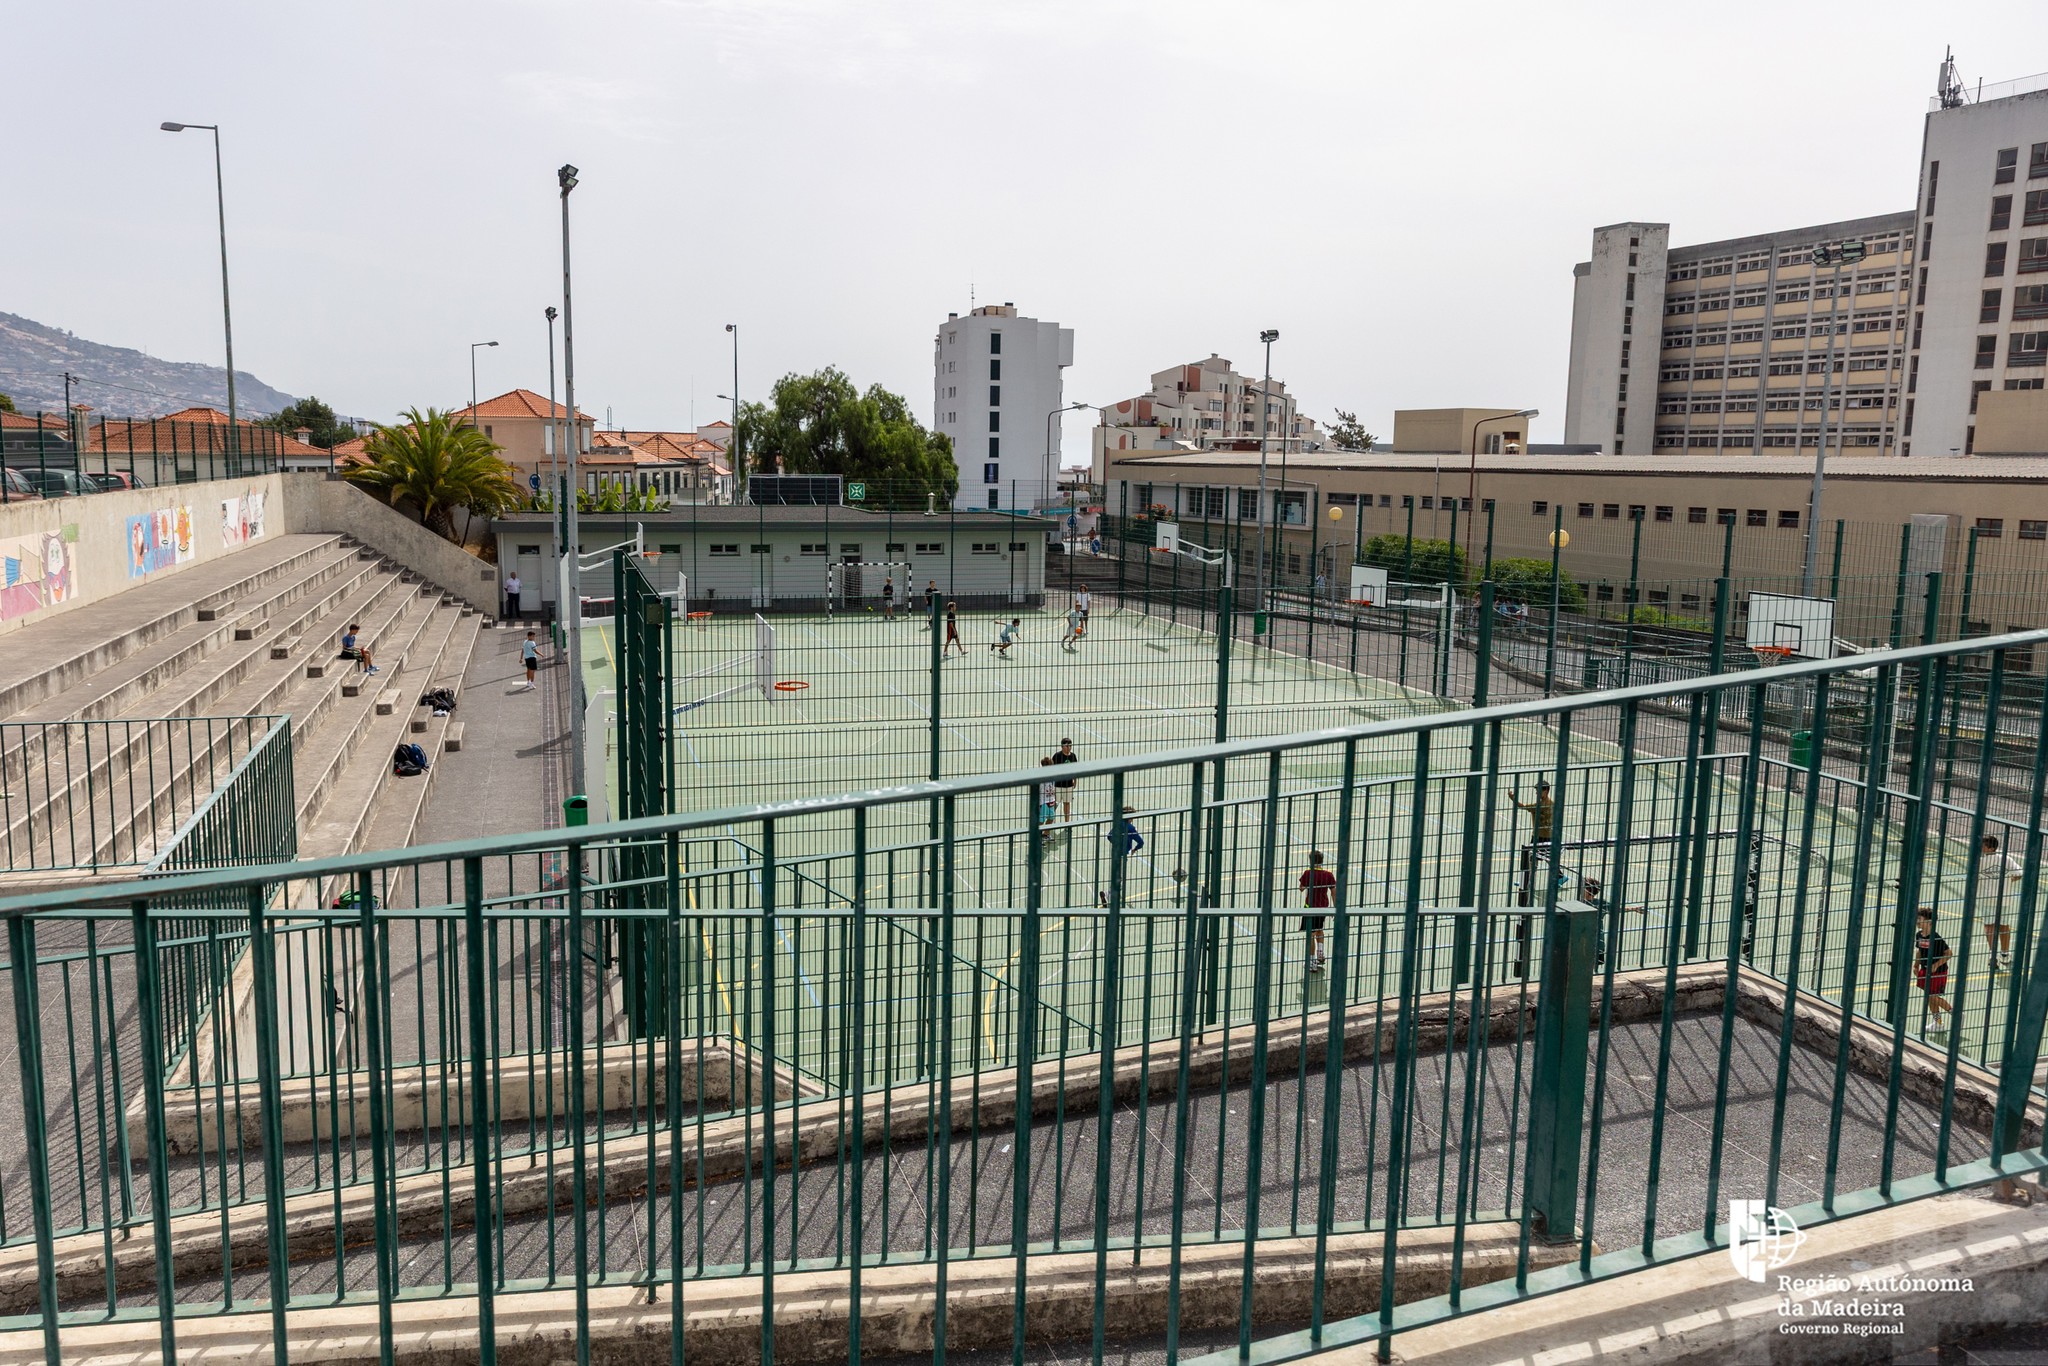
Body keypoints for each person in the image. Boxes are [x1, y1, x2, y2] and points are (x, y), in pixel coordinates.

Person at [1974, 832, 2020, 973]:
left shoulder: (1979, 861)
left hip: (1986, 899)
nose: (1980, 847)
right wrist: (2008, 881)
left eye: (1982, 845)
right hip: (2004, 898)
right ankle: (2005, 954)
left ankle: (1992, 954)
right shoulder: (2006, 859)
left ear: (1990, 848)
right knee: (2004, 925)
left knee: (1989, 926)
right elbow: (2019, 873)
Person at [1914, 907, 1953, 1039]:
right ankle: (1938, 1023)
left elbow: (1949, 954)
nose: (1917, 921)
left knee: (1932, 996)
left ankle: (1954, 1013)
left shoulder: (1936, 938)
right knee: (1929, 997)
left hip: (1938, 971)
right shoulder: (1919, 935)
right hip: (1925, 970)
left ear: (1930, 922)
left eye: (1919, 919)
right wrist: (1916, 964)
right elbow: (1919, 950)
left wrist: (1936, 965)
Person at [1299, 850, 1336, 972]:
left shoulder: (1308, 873)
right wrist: (1335, 907)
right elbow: (1333, 892)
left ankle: (1312, 961)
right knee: (1319, 929)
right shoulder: (1329, 875)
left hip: (1311, 908)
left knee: (1310, 934)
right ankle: (1321, 952)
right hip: (1323, 907)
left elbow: (1301, 888)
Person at [1049, 737, 1079, 820]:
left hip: (1068, 784)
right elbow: (1051, 769)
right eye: (1066, 746)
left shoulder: (1073, 756)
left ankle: (1067, 824)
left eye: (1070, 746)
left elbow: (1075, 769)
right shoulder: (1057, 756)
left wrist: (1075, 781)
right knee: (1054, 803)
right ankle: (1049, 821)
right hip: (1058, 784)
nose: (1068, 748)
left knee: (1067, 803)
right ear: (1062, 746)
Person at [1038, 759, 1059, 843]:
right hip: (1043, 801)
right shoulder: (1041, 777)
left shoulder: (1053, 775)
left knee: (1051, 818)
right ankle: (1037, 837)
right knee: (1041, 820)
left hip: (1051, 799)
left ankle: (1046, 834)